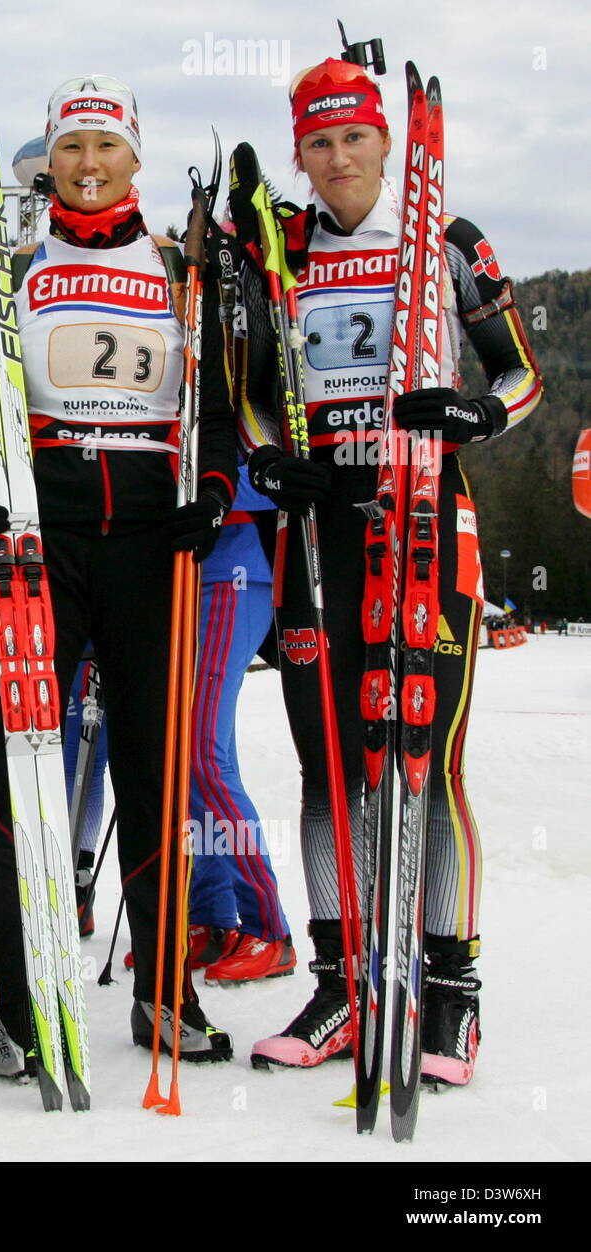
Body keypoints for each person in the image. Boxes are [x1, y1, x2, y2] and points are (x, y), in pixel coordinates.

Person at [239, 58, 542, 1084]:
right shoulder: (280, 252)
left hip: (424, 519)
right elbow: (250, 393)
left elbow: (518, 370)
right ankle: (343, 983)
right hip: (319, 525)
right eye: (317, 144)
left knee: (423, 757)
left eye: (354, 139)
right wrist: (267, 452)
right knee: (328, 765)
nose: (337, 161)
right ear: (301, 154)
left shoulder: (443, 240)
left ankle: (447, 992)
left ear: (387, 142)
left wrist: (478, 413)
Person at [0, 75, 240, 1075]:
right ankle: (17, 997)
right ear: (50, 159)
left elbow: (216, 395)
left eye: (104, 150)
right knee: (22, 766)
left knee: (156, 767)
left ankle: (165, 989)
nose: (86, 166)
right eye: (70, 148)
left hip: (150, 539)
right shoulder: (17, 264)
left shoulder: (178, 267)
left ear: (132, 161)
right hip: (39, 531)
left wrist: (209, 490)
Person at [187, 457, 294, 983]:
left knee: (202, 756)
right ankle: (210, 917)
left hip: (234, 569)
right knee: (189, 757)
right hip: (183, 571)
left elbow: (273, 473)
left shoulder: (237, 379)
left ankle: (268, 928)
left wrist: (203, 488)